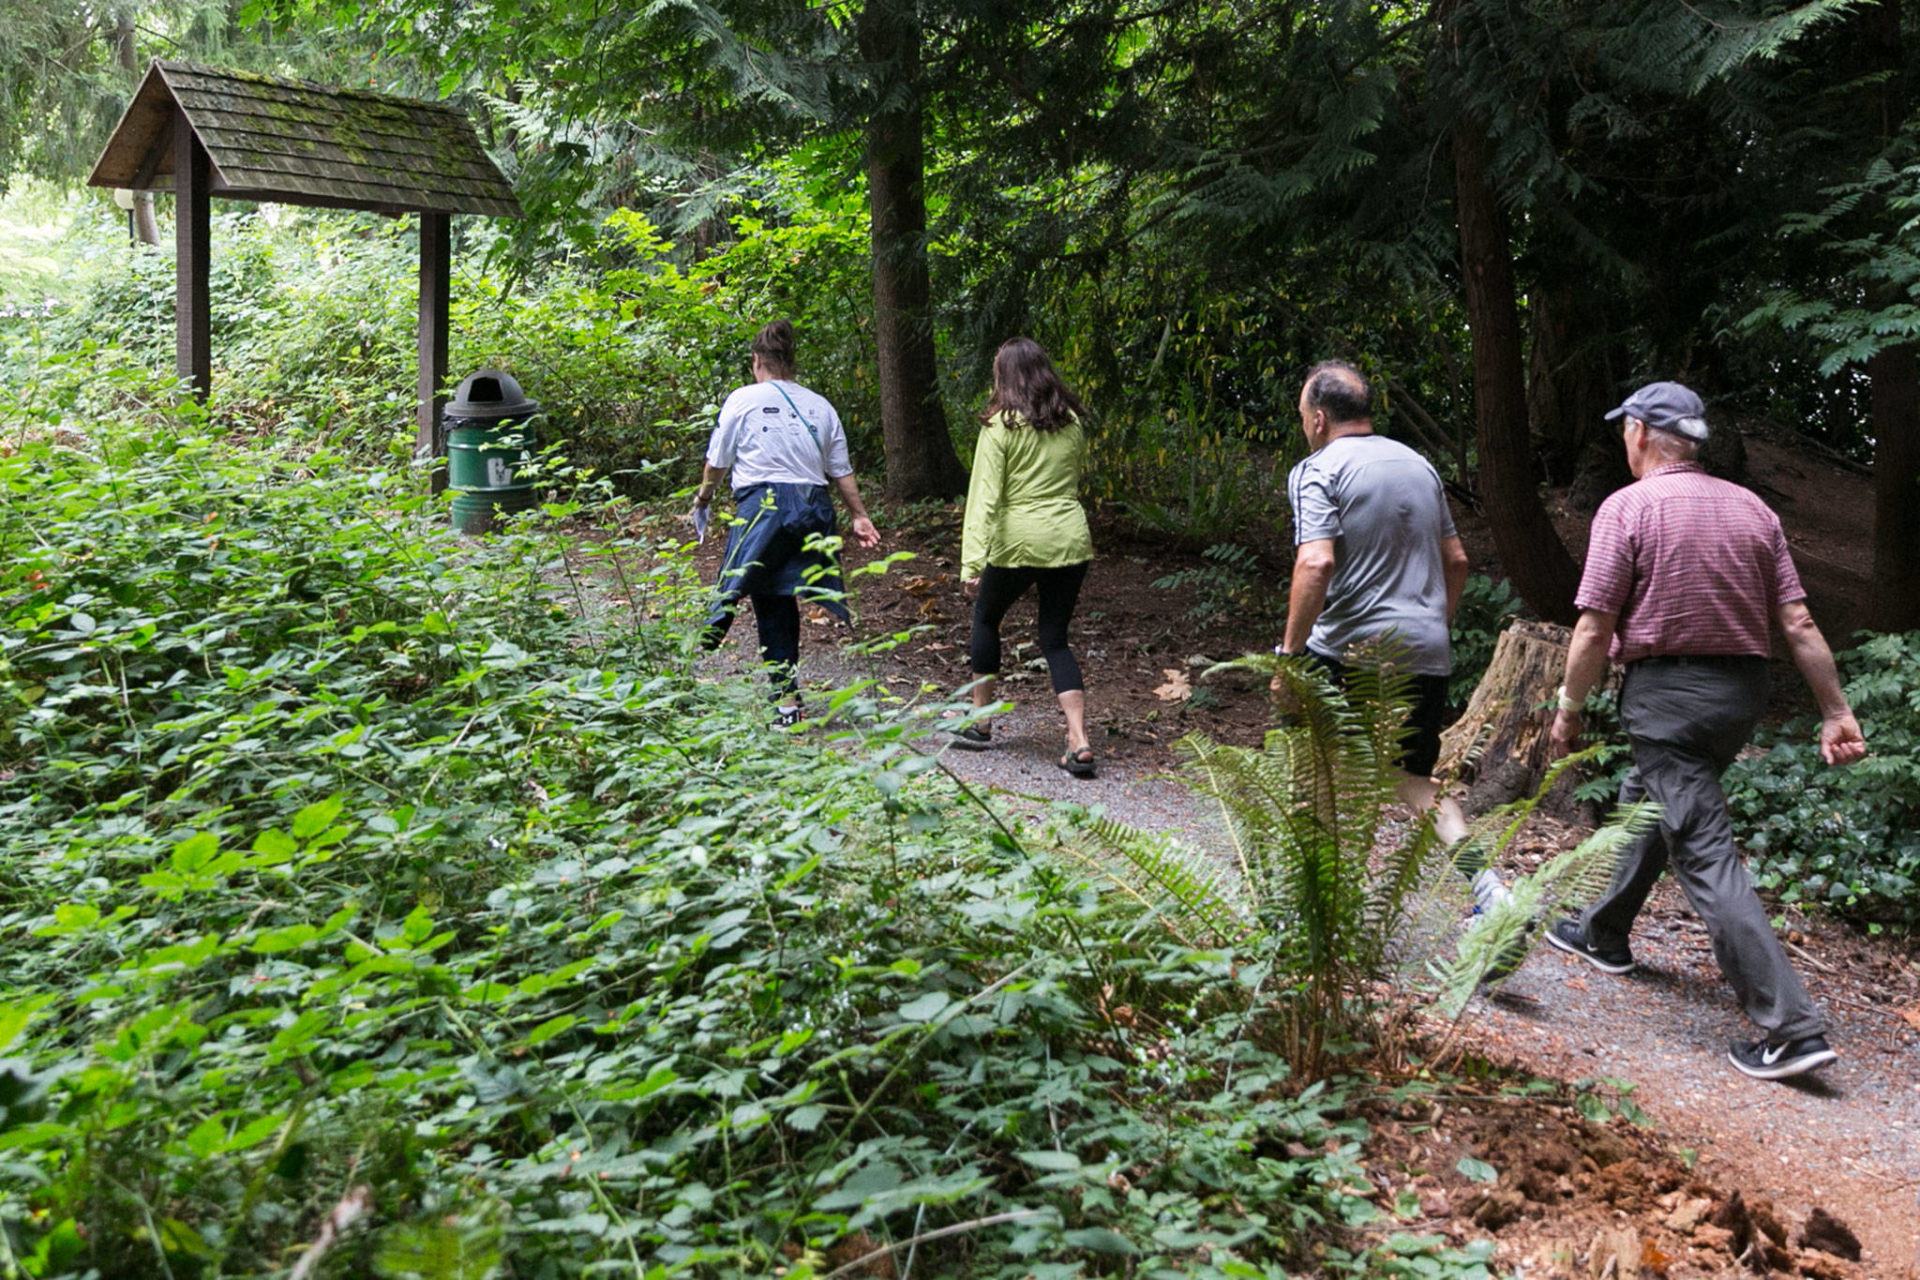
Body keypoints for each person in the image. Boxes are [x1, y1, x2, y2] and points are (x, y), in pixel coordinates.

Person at [1544, 380, 1866, 1081]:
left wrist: (1568, 706)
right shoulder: (1753, 510)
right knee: (1652, 795)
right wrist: (1836, 710)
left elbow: (1596, 625)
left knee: (1704, 850)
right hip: (1739, 697)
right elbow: (1799, 624)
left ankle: (1791, 1028)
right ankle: (1603, 930)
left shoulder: (1627, 508)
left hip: (1667, 696)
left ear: (1638, 434)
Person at [1278, 361, 1481, 864]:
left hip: (1346, 648)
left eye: (1303, 414)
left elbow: (1316, 560)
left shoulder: (1317, 469)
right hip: (1426, 647)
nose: (1304, 424)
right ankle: (1487, 887)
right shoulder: (1420, 465)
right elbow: (1456, 560)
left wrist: (1289, 656)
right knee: (1412, 780)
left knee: (1311, 764)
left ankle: (1314, 895)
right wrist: (1435, 624)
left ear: (1319, 419)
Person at [694, 320, 880, 726]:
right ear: (792, 363)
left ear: (757, 361)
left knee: (751, 591)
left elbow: (717, 461)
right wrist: (859, 515)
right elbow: (840, 470)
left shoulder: (742, 400)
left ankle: (699, 654)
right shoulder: (820, 405)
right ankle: (787, 700)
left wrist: (703, 498)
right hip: (813, 508)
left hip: (765, 508)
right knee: (779, 594)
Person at [954, 337, 1098, 776]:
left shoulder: (1000, 426)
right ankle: (1078, 739)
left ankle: (980, 723)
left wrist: (972, 562)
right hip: (1070, 539)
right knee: (1054, 637)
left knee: (985, 619)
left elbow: (983, 498)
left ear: (1004, 376)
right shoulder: (1070, 421)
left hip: (1018, 541)